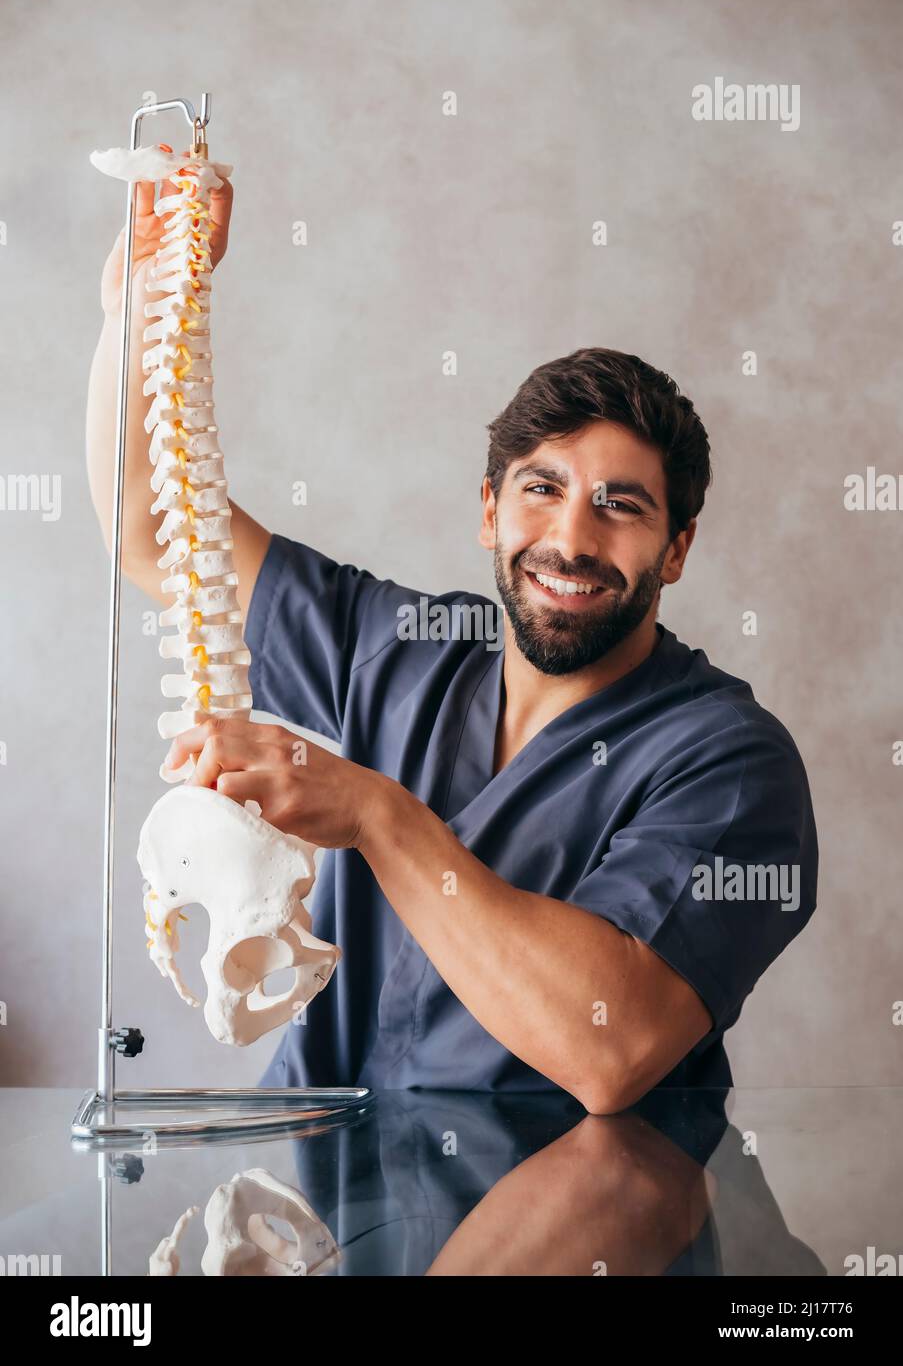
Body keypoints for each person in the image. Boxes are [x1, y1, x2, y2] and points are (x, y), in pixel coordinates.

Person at [86, 169, 817, 1114]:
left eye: (621, 507)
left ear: (675, 549)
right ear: (489, 510)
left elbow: (612, 1048)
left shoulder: (730, 763)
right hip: (318, 1213)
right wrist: (140, 312)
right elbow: (155, 528)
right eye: (540, 489)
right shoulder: (398, 647)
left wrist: (376, 816)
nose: (571, 540)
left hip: (578, 1233)